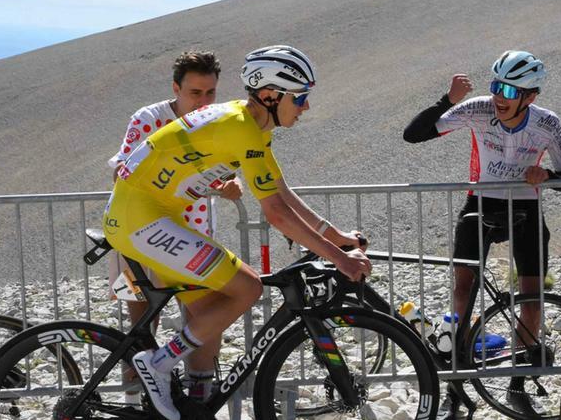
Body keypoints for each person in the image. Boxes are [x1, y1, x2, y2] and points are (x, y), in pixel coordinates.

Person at [105, 46, 371, 420]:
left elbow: (281, 191)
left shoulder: (251, 125)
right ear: (269, 96)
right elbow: (276, 213)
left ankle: (183, 395)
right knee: (247, 287)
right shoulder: (241, 129)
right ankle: (159, 364)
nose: (306, 107)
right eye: (301, 97)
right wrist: (340, 259)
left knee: (208, 311)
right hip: (141, 220)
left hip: (154, 216)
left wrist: (335, 235)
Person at [403, 50, 561, 418]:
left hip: (525, 208)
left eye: (510, 91)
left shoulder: (547, 123)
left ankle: (516, 386)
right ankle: (455, 388)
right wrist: (448, 100)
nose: (499, 97)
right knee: (463, 291)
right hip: (479, 203)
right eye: (496, 85)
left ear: (531, 97)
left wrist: (547, 176)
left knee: (531, 298)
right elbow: (413, 135)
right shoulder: (479, 108)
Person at [105, 51, 243, 404]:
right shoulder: (148, 118)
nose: (204, 101)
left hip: (192, 237)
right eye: (195, 93)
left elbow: (221, 173)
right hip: (139, 237)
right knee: (139, 325)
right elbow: (122, 170)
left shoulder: (214, 122)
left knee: (204, 316)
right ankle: (135, 402)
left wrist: (228, 187)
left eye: (211, 93)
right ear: (175, 89)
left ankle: (199, 396)